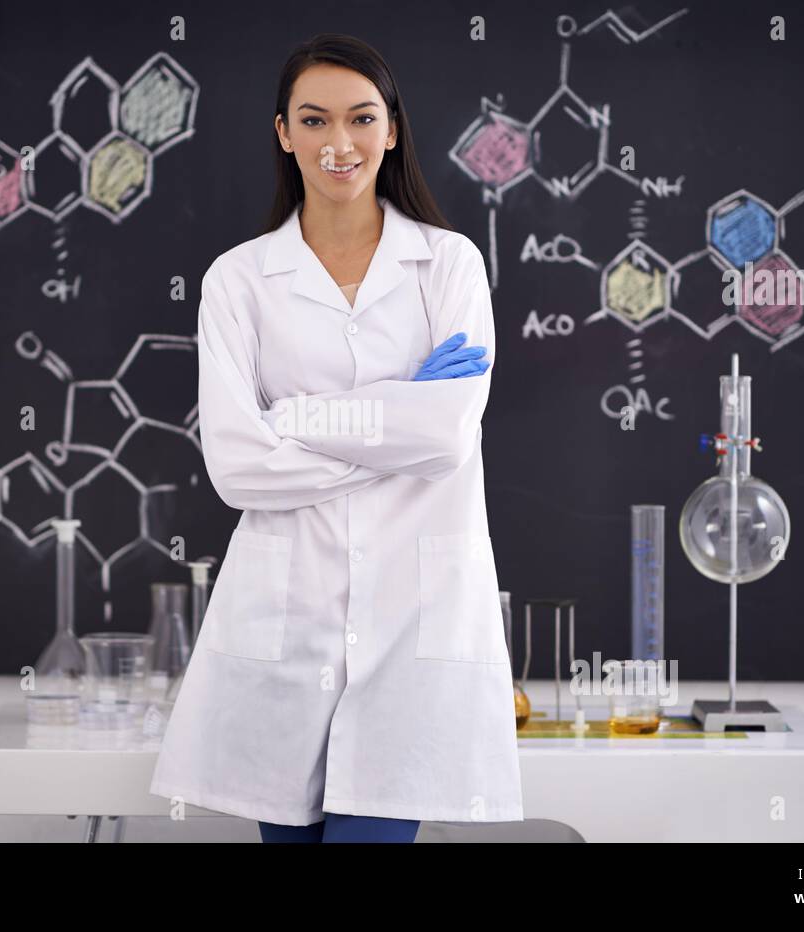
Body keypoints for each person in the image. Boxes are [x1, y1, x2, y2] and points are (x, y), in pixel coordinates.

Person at [148, 33, 523, 844]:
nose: (339, 143)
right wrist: (396, 420)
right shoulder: (239, 281)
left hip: (412, 632)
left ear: (392, 130)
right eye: (314, 121)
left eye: (360, 119)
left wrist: (294, 418)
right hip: (285, 631)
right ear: (284, 133)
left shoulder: (447, 266)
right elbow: (240, 470)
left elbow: (449, 435)